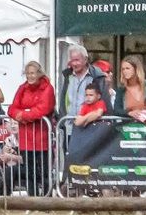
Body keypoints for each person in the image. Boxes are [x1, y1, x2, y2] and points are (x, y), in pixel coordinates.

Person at [7, 60, 55, 195]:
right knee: (29, 172)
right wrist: (21, 114)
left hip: (42, 138)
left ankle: (47, 198)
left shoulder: (47, 88)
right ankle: (32, 197)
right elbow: (12, 108)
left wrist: (23, 115)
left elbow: (43, 109)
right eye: (28, 73)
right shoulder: (22, 88)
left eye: (33, 73)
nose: (30, 76)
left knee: (44, 171)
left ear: (39, 73)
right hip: (26, 138)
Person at [57, 42, 106, 120]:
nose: (74, 64)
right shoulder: (68, 76)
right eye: (72, 60)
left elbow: (104, 101)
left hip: (90, 123)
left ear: (85, 59)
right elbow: (63, 102)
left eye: (77, 60)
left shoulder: (96, 76)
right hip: (69, 123)